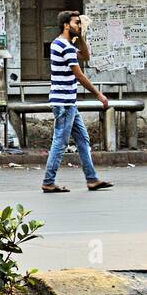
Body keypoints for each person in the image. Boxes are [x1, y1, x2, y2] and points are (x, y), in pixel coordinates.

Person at [42, 11, 113, 194]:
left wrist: (81, 35)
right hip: (64, 102)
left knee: (82, 139)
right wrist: (99, 94)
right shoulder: (64, 46)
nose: (79, 26)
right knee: (60, 142)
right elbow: (79, 75)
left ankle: (92, 179)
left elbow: (86, 56)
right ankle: (48, 182)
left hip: (68, 101)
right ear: (66, 25)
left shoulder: (65, 44)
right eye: (76, 23)